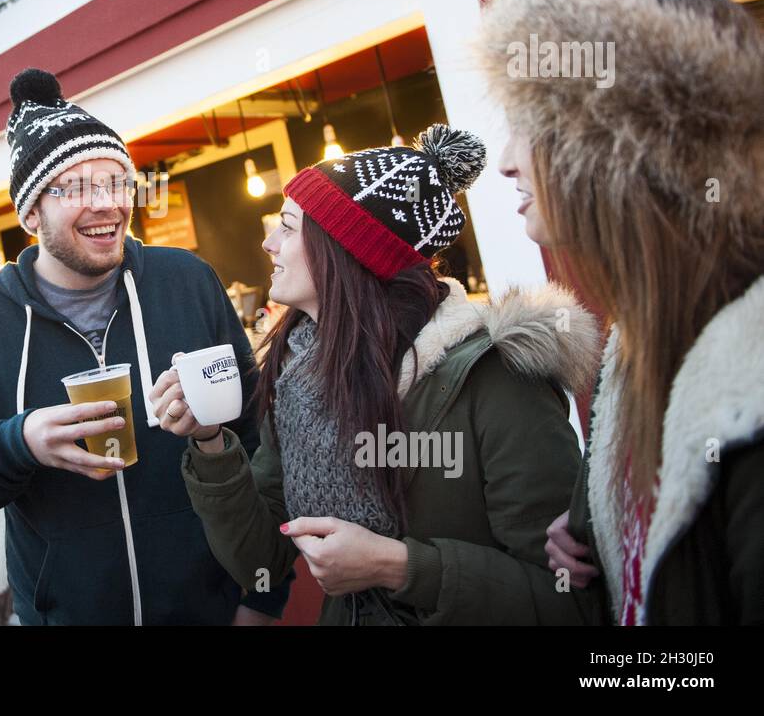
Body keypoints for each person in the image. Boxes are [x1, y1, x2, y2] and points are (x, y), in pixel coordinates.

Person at [172, 126, 605, 624]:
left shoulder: (496, 379)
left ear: (348, 252)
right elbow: (261, 561)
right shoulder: (299, 379)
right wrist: (209, 442)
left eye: (288, 227)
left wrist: (398, 567)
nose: (269, 242)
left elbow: (569, 601)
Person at [0, 68, 289, 625]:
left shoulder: (188, 281)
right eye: (75, 188)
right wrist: (18, 444)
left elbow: (262, 443)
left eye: (117, 182)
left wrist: (262, 595)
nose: (106, 203)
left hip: (211, 610)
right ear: (31, 213)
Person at [482, 0, 764, 625]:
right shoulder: (634, 351)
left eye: (535, 122)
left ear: (627, 146)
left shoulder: (750, 387)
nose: (506, 159)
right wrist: (600, 531)